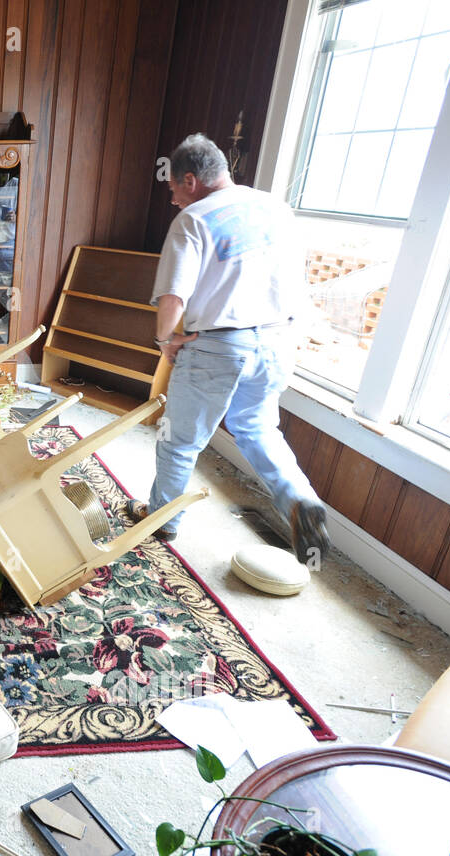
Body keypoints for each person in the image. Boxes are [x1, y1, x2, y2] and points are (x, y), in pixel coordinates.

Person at [127, 133, 330, 566]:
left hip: (218, 346)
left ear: (189, 180)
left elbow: (172, 298)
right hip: (277, 342)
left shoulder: (193, 220)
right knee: (257, 430)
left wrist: (165, 341)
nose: (173, 201)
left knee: (178, 439)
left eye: (173, 191)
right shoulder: (277, 208)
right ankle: (298, 500)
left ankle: (162, 520)